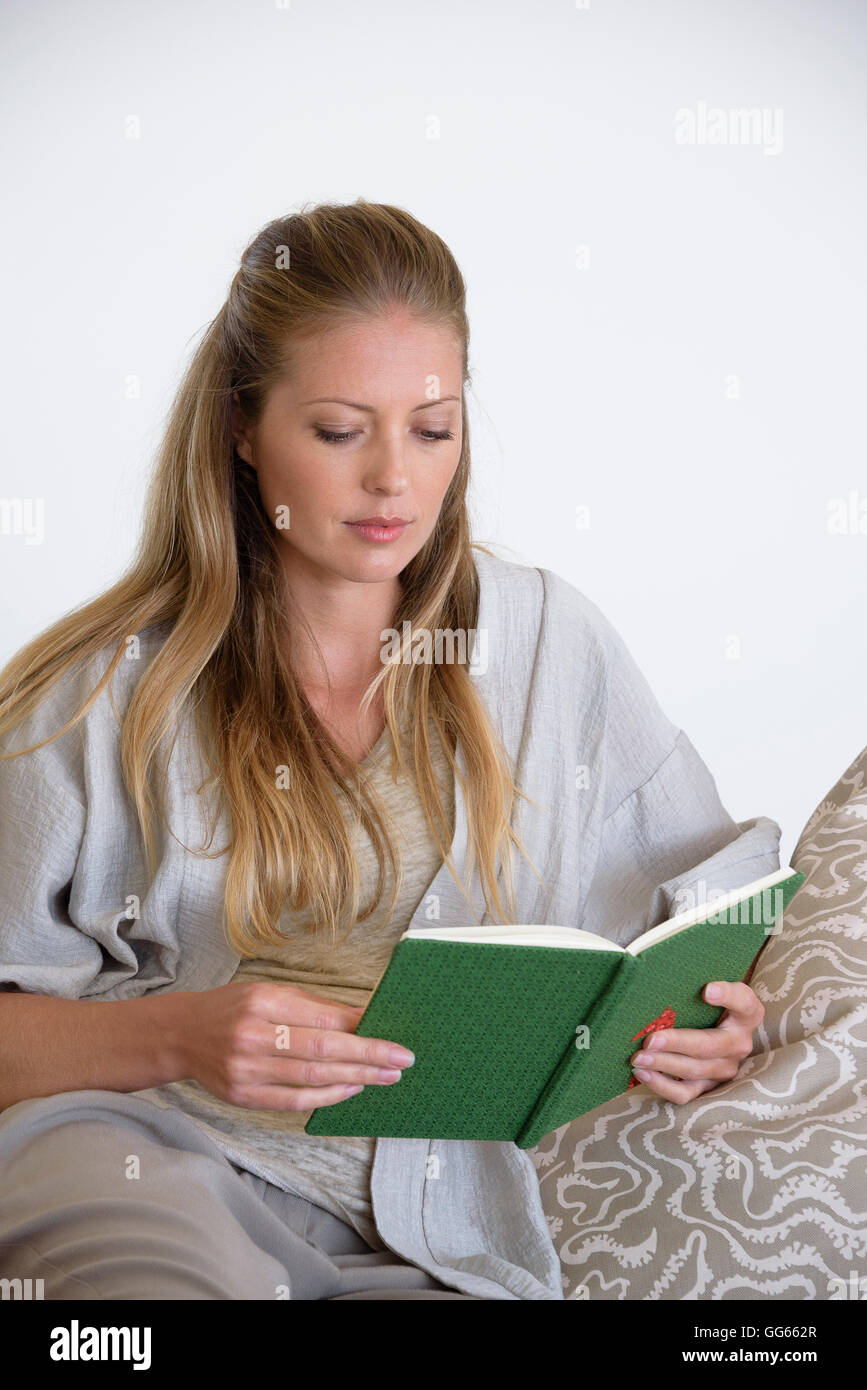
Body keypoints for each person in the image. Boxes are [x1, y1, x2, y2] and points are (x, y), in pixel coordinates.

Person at [0, 200, 780, 1301]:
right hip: (146, 1161)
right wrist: (176, 1034)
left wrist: (712, 1018)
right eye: (336, 430)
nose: (395, 482)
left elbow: (713, 899)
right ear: (240, 423)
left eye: (432, 427)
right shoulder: (99, 690)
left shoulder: (546, 640)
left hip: (432, 1221)